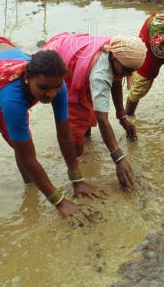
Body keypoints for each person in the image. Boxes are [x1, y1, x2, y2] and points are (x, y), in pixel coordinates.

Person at [0, 36, 96, 218]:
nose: (51, 93)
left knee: (18, 141)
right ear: (27, 78)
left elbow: (64, 134)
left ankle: (30, 188)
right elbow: (28, 157)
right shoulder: (12, 100)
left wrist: (77, 180)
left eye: (55, 87)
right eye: (43, 87)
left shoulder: (56, 86)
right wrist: (59, 201)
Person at [43, 33, 146, 191]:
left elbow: (116, 81)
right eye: (126, 70)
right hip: (60, 68)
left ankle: (85, 142)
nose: (127, 74)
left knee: (89, 108)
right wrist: (119, 159)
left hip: (76, 55)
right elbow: (102, 118)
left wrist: (122, 117)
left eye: (132, 71)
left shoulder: (116, 54)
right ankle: (76, 171)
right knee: (76, 133)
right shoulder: (101, 74)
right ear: (113, 58)